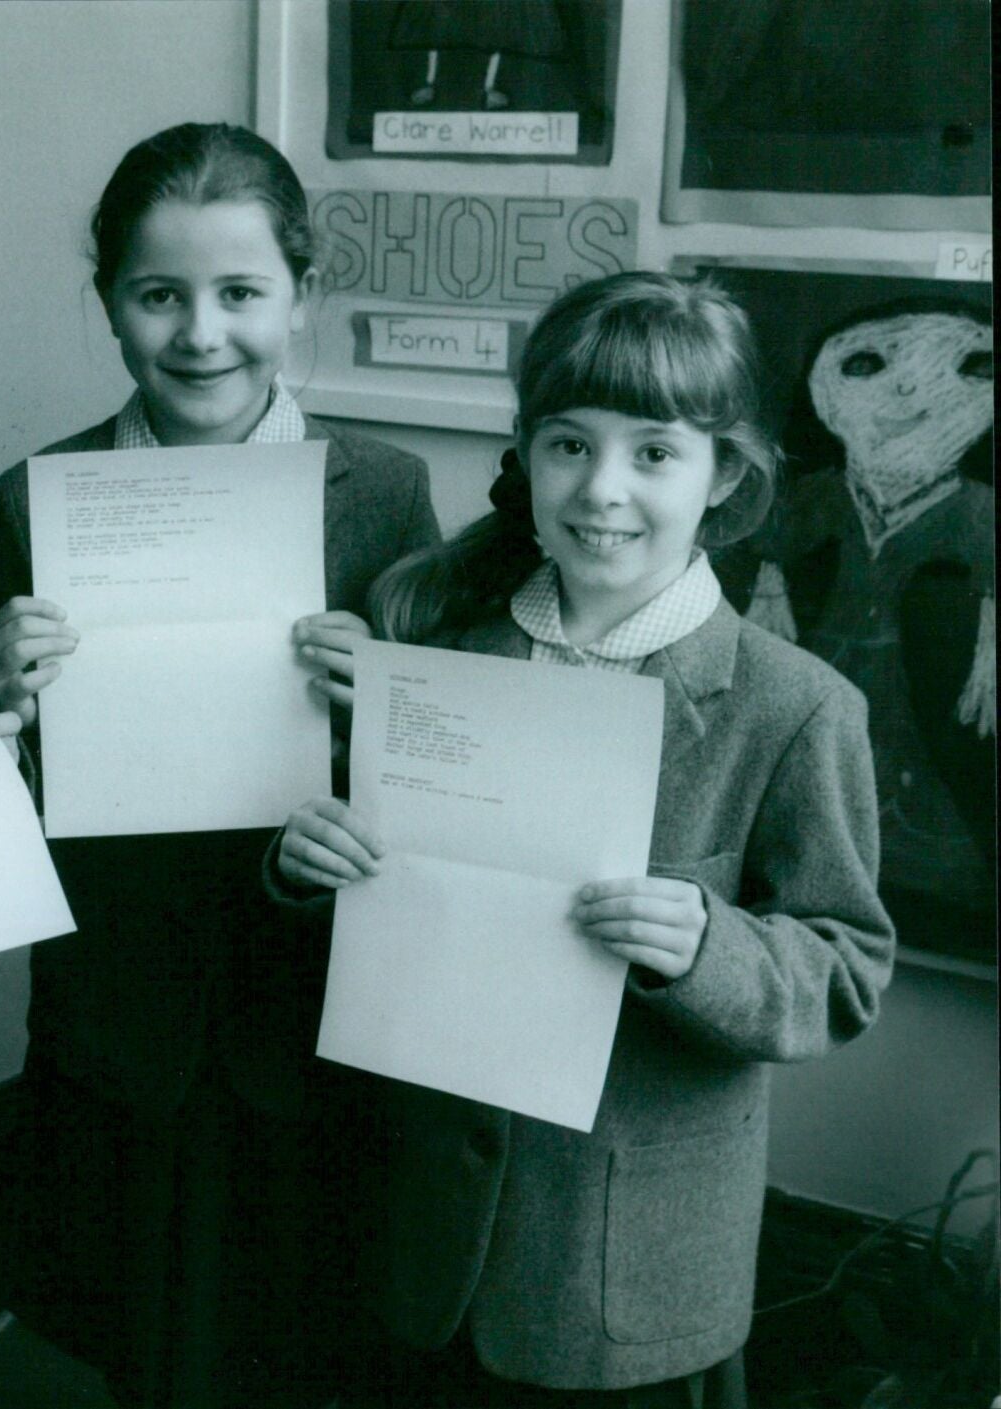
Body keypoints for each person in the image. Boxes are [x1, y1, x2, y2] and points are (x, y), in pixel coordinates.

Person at [274, 271, 897, 1407]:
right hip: (412, 1236)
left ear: (726, 477)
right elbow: (378, 881)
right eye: (568, 443)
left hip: (616, 1271)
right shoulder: (440, 651)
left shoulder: (790, 705)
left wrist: (703, 940)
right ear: (524, 455)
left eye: (653, 453)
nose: (601, 488)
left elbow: (843, 968)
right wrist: (309, 863)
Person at [0, 121, 440, 1407]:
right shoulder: (39, 495)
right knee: (137, 1335)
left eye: (240, 294)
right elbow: (3, 797)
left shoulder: (386, 494)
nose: (199, 333)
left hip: (312, 1012)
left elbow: (437, 784)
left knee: (304, 1332)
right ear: (108, 303)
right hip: (117, 1011)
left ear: (300, 298)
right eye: (157, 294)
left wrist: (385, 697)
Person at [728, 300, 994, 964]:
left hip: (916, 755)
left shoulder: (980, 513)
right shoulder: (802, 500)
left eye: (969, 365)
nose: (910, 388)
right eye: (868, 362)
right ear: (820, 390)